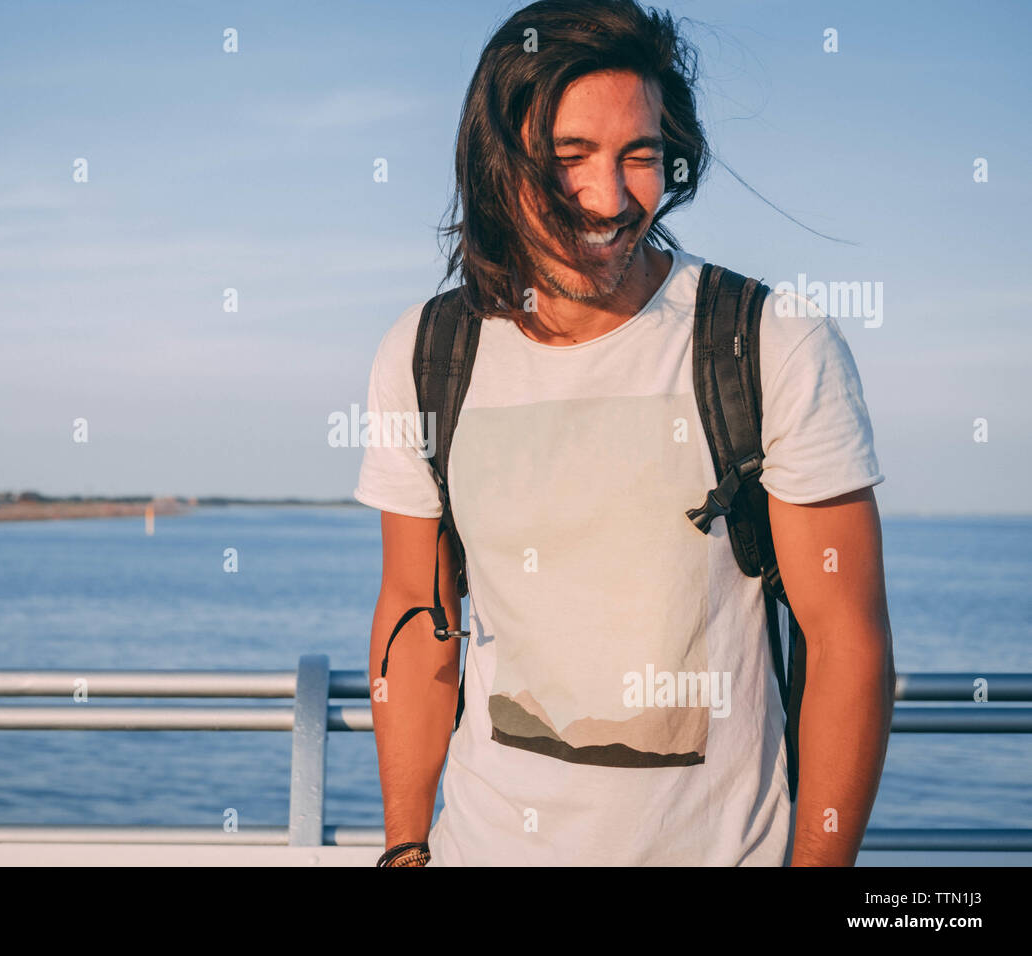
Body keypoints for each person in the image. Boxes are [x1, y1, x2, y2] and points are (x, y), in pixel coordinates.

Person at [355, 0, 895, 866]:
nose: (608, 198)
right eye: (567, 158)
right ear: (495, 163)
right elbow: (419, 619)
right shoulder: (427, 354)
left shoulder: (769, 341)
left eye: (639, 155)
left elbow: (848, 643)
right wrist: (407, 850)